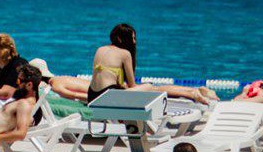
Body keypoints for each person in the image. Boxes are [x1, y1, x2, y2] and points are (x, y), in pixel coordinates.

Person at [87, 23, 217, 105]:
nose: (134, 42)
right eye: (132, 38)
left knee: (149, 88)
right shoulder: (125, 53)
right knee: (149, 87)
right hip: (108, 98)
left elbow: (108, 78)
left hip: (92, 97)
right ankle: (193, 92)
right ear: (122, 39)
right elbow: (132, 85)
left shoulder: (100, 49)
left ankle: (192, 91)